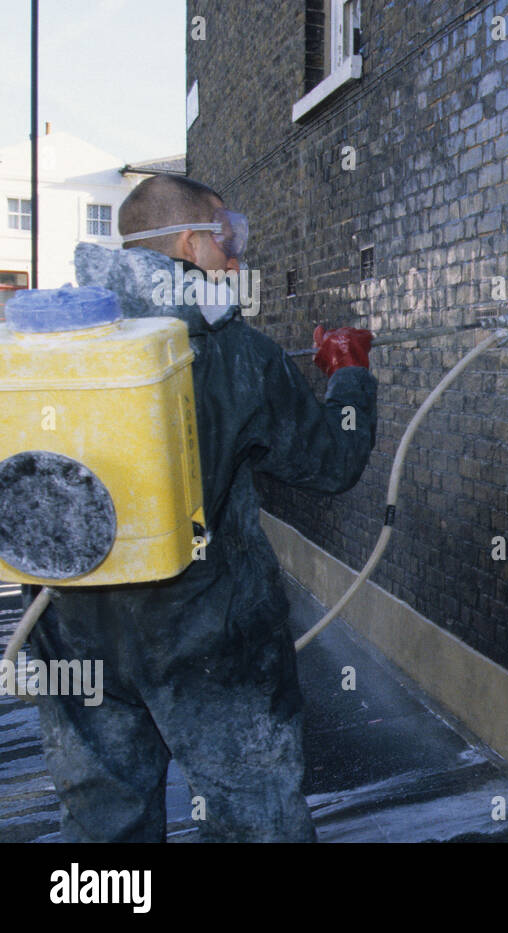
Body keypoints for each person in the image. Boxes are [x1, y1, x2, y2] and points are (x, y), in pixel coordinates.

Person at [25, 174, 376, 842]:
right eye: (229, 239)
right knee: (255, 817)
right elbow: (332, 461)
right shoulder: (237, 350)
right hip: (211, 638)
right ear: (189, 242)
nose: (238, 261)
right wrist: (348, 376)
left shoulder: (51, 345)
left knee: (104, 824)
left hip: (72, 631)